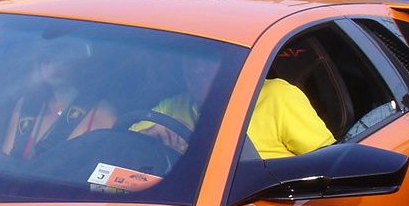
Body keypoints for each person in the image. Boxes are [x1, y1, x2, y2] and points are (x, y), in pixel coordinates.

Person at [133, 54, 334, 158]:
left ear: (234, 63)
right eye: (191, 59)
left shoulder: (278, 96)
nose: (197, 69)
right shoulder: (171, 107)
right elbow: (124, 147)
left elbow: (330, 164)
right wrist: (148, 139)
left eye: (209, 59)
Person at [1, 32, 116, 158]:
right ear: (38, 64)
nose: (54, 65)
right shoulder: (27, 106)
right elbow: (6, 159)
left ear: (80, 64)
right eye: (46, 59)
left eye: (64, 58)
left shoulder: (102, 113)